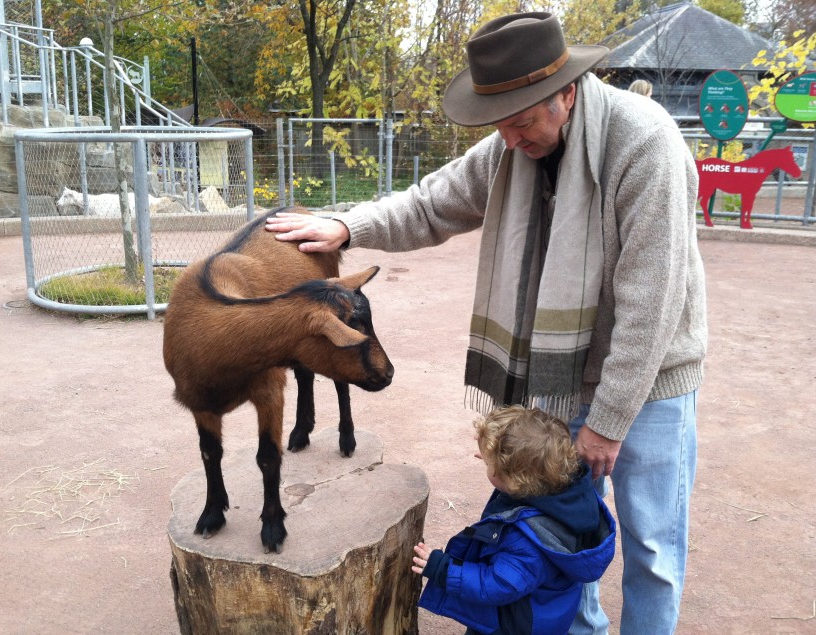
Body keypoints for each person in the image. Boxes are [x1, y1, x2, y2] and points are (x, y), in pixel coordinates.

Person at [266, 12, 707, 635]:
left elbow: (651, 301)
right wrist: (349, 226)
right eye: (499, 124)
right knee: (561, 534)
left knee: (652, 548)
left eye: (523, 121)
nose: (510, 139)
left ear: (567, 94)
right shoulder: (512, 143)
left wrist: (609, 421)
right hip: (557, 382)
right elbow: (431, 203)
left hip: (649, 382)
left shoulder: (643, 144)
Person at [411, 405, 616, 635]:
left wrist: (443, 569)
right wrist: (495, 460)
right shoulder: (559, 493)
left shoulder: (526, 541)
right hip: (534, 608)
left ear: (512, 478)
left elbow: (497, 585)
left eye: (489, 464)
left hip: (514, 625)